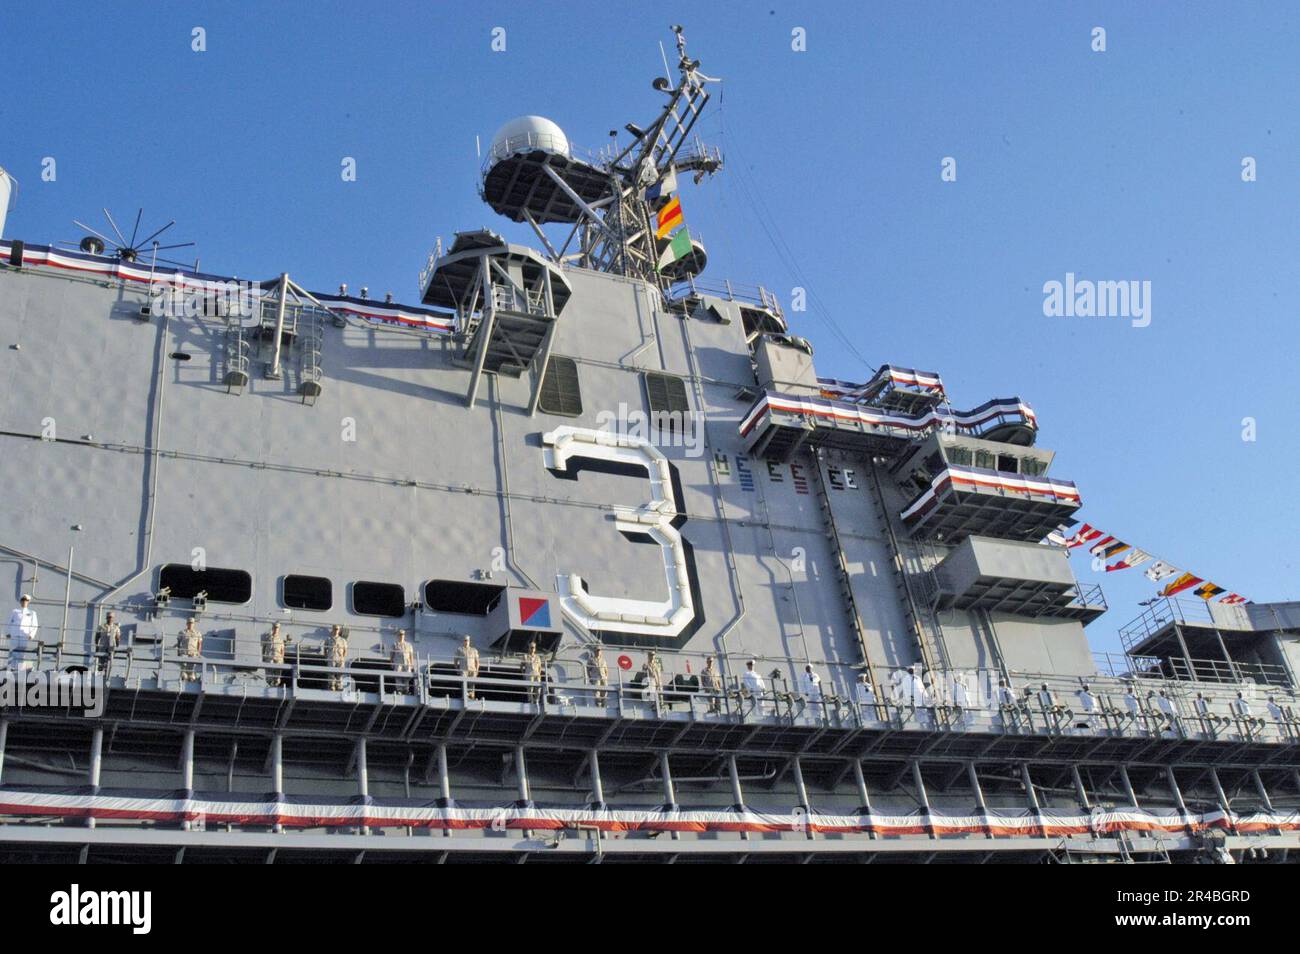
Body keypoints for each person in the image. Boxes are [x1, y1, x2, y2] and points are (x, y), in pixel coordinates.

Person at [5, 594, 38, 670]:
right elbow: (9, 622)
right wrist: (8, 632)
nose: (24, 602)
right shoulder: (15, 611)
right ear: (20, 602)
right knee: (13, 651)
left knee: (22, 652)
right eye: (22, 600)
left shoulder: (32, 613)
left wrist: (31, 635)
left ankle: (19, 668)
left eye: (26, 601)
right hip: (15, 634)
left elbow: (34, 625)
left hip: (24, 635)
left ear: (28, 602)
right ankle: (12, 667)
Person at [262, 621, 288, 687]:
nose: (276, 629)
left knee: (278, 672)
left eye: (277, 628)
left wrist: (281, 657)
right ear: (273, 628)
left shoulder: (280, 639)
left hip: (278, 657)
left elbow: (282, 650)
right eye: (275, 628)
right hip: (269, 657)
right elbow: (264, 648)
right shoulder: (268, 639)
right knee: (269, 669)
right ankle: (269, 682)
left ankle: (276, 683)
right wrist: (264, 657)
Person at [177, 617, 203, 683]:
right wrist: (178, 652)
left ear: (194, 624)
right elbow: (179, 642)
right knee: (183, 664)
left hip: (193, 652)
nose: (190, 624)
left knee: (192, 665)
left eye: (192, 623)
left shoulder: (197, 633)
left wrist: (198, 653)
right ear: (187, 624)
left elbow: (199, 643)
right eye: (189, 623)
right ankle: (183, 676)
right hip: (184, 652)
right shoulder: (182, 632)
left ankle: (191, 677)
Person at [454, 634, 480, 699]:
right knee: (464, 682)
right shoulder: (459, 650)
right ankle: (465, 695)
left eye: (467, 640)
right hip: (463, 669)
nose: (466, 642)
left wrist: (477, 670)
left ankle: (471, 695)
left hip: (472, 669)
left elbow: (477, 661)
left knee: (472, 683)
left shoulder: (474, 650)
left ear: (469, 641)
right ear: (463, 641)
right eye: (465, 640)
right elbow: (455, 660)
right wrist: (457, 669)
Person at [324, 624, 348, 690]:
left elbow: (345, 650)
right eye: (334, 629)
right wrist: (327, 657)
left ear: (339, 630)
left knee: (340, 673)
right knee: (331, 672)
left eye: (337, 629)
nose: (336, 630)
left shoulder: (343, 640)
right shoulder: (328, 639)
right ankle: (332, 685)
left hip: (340, 658)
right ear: (332, 630)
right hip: (332, 657)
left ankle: (339, 685)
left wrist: (343, 657)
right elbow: (325, 649)